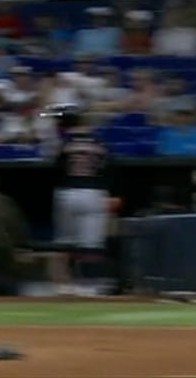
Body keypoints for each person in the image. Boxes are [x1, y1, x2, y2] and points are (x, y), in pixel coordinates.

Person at [45, 102, 114, 295]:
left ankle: (62, 286)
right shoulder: (99, 142)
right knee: (91, 245)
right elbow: (110, 169)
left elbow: (55, 169)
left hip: (68, 192)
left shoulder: (64, 141)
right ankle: (90, 287)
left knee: (64, 242)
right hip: (95, 193)